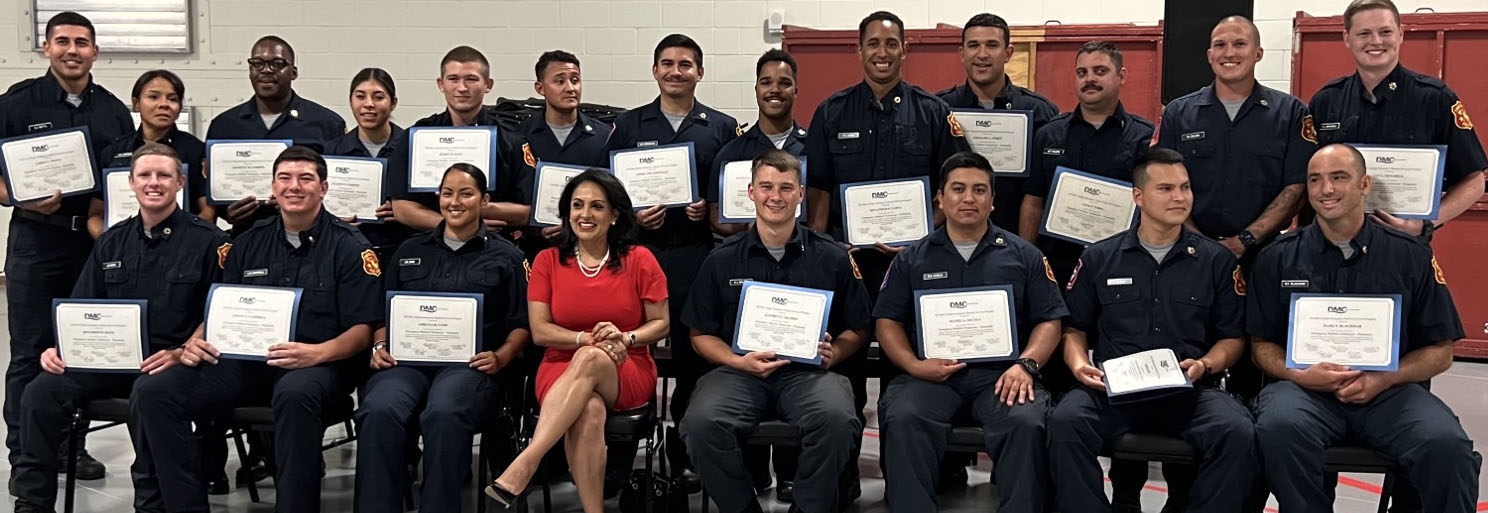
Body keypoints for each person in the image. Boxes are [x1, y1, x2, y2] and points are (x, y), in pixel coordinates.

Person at [139, 146, 382, 513]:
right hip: (246, 363)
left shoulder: (349, 247)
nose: (294, 187)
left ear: (324, 188)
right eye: (285, 178)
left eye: (305, 178)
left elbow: (362, 329)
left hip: (319, 365)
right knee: (154, 392)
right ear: (273, 186)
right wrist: (190, 345)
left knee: (295, 394)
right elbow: (221, 307)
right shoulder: (248, 242)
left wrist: (316, 353)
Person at [1249, 143, 1481, 513]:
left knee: (1446, 445)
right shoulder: (1276, 257)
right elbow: (1262, 345)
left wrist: (1386, 379)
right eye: (1315, 180)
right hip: (1306, 392)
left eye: (1339, 177)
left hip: (1390, 392)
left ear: (1365, 184)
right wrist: (1300, 375)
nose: (1326, 190)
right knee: (1278, 428)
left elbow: (1441, 350)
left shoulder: (1411, 255)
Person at [803, 12, 968, 499]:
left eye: (891, 43)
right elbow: (819, 193)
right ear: (859, 50)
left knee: (910, 373)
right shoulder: (831, 112)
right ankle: (843, 476)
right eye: (873, 43)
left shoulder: (933, 113)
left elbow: (952, 186)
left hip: (915, 266)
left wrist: (924, 237)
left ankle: (911, 480)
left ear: (903, 50)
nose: (882, 51)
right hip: (849, 263)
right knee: (844, 370)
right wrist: (821, 251)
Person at [11, 143, 226, 513]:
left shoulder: (210, 241)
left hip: (171, 361)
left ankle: (152, 504)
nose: (153, 182)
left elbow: (221, 310)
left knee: (149, 393)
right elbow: (82, 307)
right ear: (130, 183)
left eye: (163, 175)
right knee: (41, 391)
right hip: (109, 357)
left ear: (180, 183)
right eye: (145, 175)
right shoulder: (111, 240)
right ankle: (33, 502)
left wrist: (182, 350)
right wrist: (59, 347)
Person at [1048, 147, 1256, 513]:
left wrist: (1206, 364)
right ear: (1138, 196)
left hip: (1188, 390)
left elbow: (1232, 338)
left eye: (1185, 187)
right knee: (1065, 422)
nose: (1179, 197)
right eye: (1165, 189)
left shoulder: (1215, 260)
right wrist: (1080, 365)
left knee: (1238, 432)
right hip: (1115, 391)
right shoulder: (1099, 257)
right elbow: (1074, 329)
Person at [875, 151, 1067, 513]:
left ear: (993, 201)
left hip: (1003, 376)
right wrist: (914, 366)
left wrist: (1026, 366)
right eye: (958, 189)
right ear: (940, 198)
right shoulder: (911, 258)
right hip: (930, 376)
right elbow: (887, 322)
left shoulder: (1024, 257)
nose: (969, 198)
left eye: (980, 190)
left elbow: (1049, 321)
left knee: (1026, 421)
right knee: (903, 415)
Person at [680, 149, 870, 513]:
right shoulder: (721, 259)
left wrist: (837, 353)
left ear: (801, 194)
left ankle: (807, 508)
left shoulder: (831, 257)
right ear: (751, 193)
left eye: (786, 187)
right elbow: (700, 334)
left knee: (837, 421)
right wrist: (740, 363)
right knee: (701, 424)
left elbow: (859, 326)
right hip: (739, 372)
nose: (776, 196)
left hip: (808, 374)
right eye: (766, 186)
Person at [484, 169, 669, 513]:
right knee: (589, 410)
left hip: (627, 367)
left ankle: (527, 461)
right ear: (567, 212)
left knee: (591, 358)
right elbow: (540, 332)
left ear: (615, 215)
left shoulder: (640, 259)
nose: (586, 214)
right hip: (558, 367)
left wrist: (626, 338)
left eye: (597, 206)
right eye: (577, 205)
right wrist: (586, 338)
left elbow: (661, 324)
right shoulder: (547, 261)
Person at [0, 10, 133, 479]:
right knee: (29, 351)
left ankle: (69, 447)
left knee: (80, 347)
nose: (72, 50)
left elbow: (119, 182)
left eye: (81, 42)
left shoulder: (114, 111)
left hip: (91, 244)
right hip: (36, 241)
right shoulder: (16, 104)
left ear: (95, 51)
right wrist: (19, 197)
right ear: (46, 48)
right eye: (62, 41)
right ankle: (27, 458)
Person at [354, 163, 530, 513]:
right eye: (447, 193)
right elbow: (380, 314)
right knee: (378, 408)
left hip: (469, 367)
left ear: (484, 200)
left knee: (445, 412)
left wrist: (502, 357)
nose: (455, 201)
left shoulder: (507, 256)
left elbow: (522, 324)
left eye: (466, 193)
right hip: (406, 364)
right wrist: (379, 346)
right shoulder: (407, 251)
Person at [604, 33, 738, 490]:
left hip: (694, 255)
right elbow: (608, 196)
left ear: (699, 72)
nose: (675, 71)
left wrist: (709, 209)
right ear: (654, 70)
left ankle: (685, 455)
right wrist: (632, 216)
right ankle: (620, 462)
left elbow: (731, 194)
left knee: (691, 357)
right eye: (667, 63)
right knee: (624, 351)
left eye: (685, 64)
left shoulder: (722, 126)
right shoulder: (627, 125)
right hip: (638, 254)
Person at [1308, 0, 1486, 242]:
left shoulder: (1435, 99)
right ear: (1347, 38)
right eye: (1364, 33)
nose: (1376, 41)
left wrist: (1425, 224)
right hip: (1332, 246)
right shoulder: (1325, 102)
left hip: (1404, 247)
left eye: (1385, 32)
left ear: (1400, 34)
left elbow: (1475, 181)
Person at [1019, 40, 1155, 286]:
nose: (1089, 79)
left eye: (1100, 71)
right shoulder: (1049, 134)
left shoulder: (1144, 137)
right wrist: (1027, 259)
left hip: (1121, 263)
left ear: (1121, 75)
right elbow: (1033, 201)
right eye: (1082, 72)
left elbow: (1153, 205)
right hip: (1057, 263)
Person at [205, 35, 346, 234]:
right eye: (257, 63)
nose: (266, 70)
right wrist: (226, 212)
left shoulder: (326, 123)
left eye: (277, 64)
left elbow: (338, 183)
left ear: (294, 72)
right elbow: (211, 189)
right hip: (246, 237)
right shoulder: (224, 126)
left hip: (313, 237)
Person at [387, 45, 535, 234]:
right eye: (453, 79)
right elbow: (401, 208)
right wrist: (451, 225)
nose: (462, 88)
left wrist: (476, 209)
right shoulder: (416, 138)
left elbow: (527, 211)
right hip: (431, 247)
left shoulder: (512, 142)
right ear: (441, 84)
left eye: (471, 79)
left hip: (492, 249)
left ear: (488, 84)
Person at [937, 12, 1060, 233]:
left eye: (992, 45)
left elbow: (1047, 188)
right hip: (953, 242)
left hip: (1018, 238)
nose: (982, 54)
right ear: (962, 53)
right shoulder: (939, 109)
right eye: (973, 45)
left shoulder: (1040, 112)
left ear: (1008, 53)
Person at [514, 50, 613, 261]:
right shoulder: (520, 136)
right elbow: (514, 193)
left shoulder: (604, 137)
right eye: (559, 81)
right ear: (540, 88)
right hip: (536, 249)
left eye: (575, 80)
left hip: (592, 249)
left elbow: (612, 196)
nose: (570, 88)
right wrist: (536, 228)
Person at [708, 49, 809, 240]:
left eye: (784, 83)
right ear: (756, 90)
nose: (775, 89)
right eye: (766, 82)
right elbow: (715, 214)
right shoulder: (731, 154)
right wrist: (752, 227)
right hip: (749, 258)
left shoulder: (813, 149)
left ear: (795, 92)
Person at [94, 70, 211, 226]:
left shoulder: (195, 150)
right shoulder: (113, 152)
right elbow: (95, 215)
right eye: (153, 97)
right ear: (136, 104)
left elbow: (208, 212)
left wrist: (185, 240)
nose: (163, 104)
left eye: (172, 99)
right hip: (123, 246)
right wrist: (111, 243)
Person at [323, 67, 412, 261]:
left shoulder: (411, 147)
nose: (368, 104)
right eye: (360, 96)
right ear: (351, 101)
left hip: (400, 249)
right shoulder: (332, 151)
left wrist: (405, 211)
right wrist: (333, 216)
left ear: (393, 103)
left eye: (378, 97)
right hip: (345, 252)